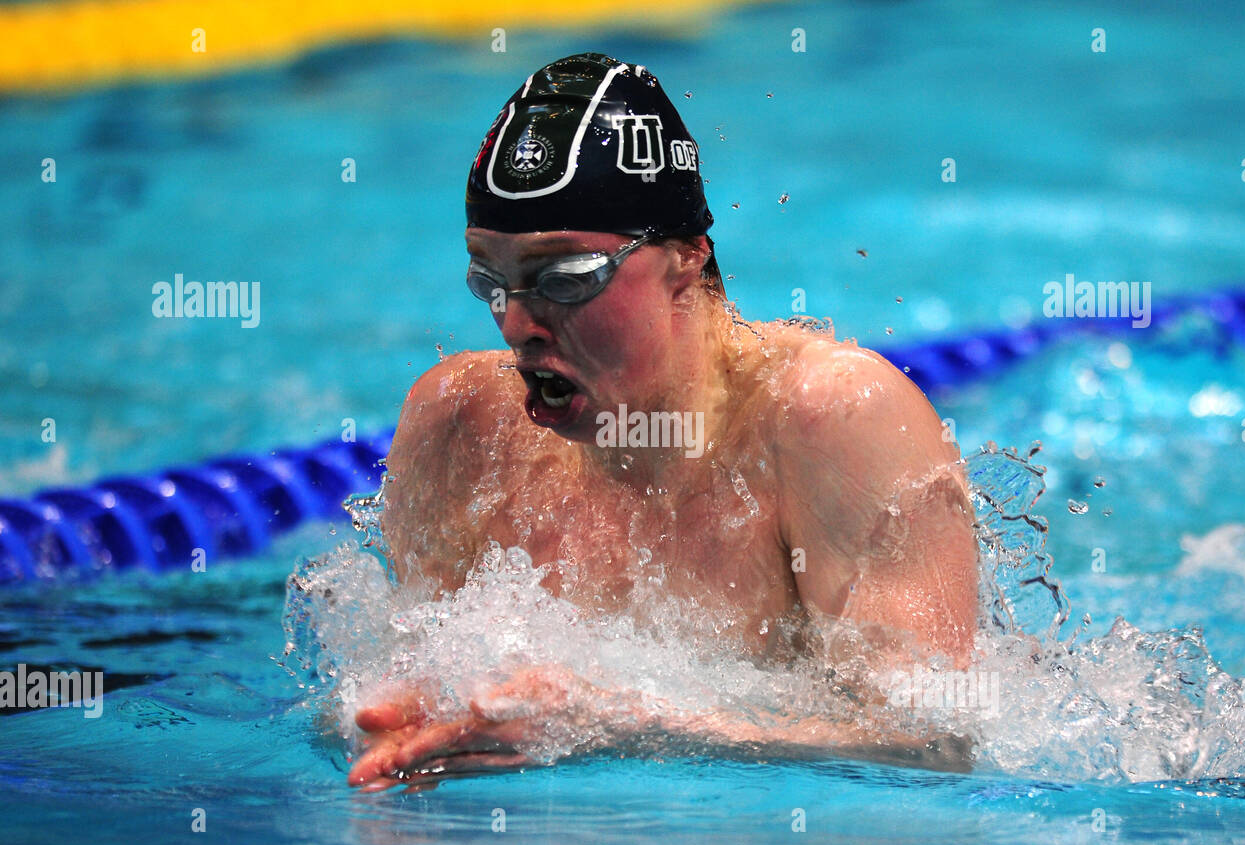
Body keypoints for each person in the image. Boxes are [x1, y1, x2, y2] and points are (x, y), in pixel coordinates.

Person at [348, 53, 979, 790]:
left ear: (686, 259)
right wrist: (402, 718)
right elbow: (420, 689)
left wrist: (627, 724)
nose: (516, 322)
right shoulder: (459, 424)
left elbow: (937, 738)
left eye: (565, 279)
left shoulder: (829, 421)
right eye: (490, 279)